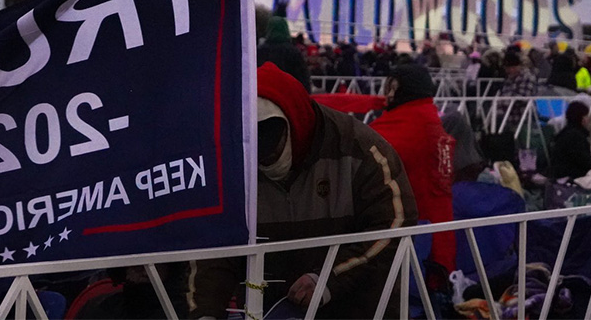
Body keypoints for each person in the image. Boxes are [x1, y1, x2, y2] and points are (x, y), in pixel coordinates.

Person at [187, 62, 417, 319]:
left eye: (273, 149)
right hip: (271, 308)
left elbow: (396, 223)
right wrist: (205, 312)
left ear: (293, 122)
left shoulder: (361, 149)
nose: (265, 160)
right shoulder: (232, 161)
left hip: (358, 307)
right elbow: (216, 248)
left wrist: (330, 277)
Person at [370, 64, 456, 272]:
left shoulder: (409, 123)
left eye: (393, 89)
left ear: (406, 91)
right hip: (438, 224)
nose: (388, 96)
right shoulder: (429, 118)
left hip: (415, 226)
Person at [256, 16, 311, 92]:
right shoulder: (293, 52)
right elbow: (303, 79)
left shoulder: (260, 51)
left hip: (264, 93)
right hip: (287, 95)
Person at [549, 101, 591, 181]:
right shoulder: (576, 136)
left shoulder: (566, 133)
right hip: (573, 177)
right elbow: (583, 161)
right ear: (582, 118)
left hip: (562, 175)